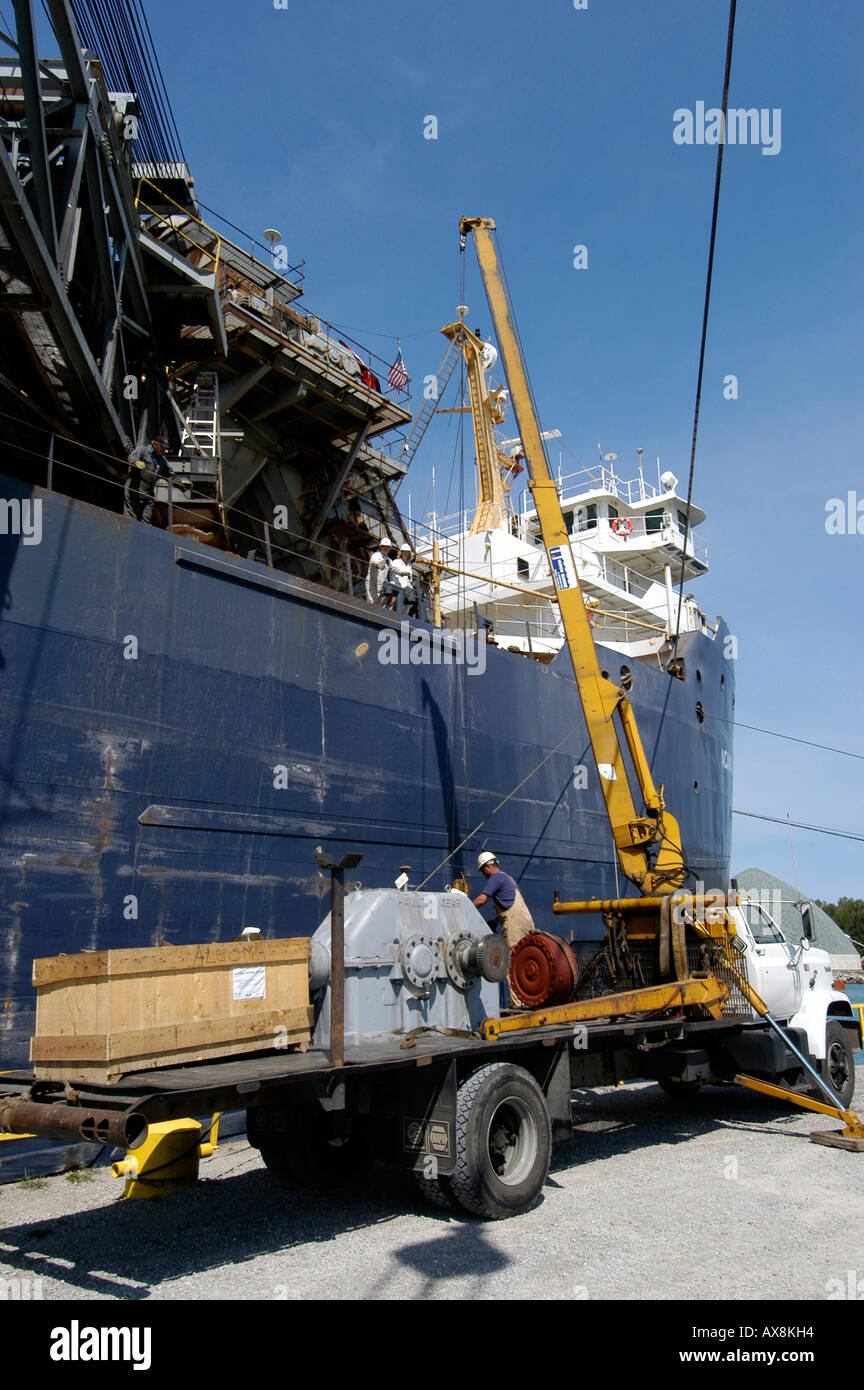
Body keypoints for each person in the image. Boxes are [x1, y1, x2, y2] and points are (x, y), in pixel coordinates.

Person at [473, 851, 535, 951]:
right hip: (526, 922)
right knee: (526, 954)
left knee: (513, 957)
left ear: (488, 866)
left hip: (515, 926)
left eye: (482, 870)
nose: (483, 874)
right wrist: (496, 920)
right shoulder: (507, 877)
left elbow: (481, 900)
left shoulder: (496, 878)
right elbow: (509, 904)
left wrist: (468, 907)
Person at [125, 436, 173, 524]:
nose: (163, 450)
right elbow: (131, 457)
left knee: (146, 521)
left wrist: (181, 482)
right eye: (162, 447)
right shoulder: (143, 450)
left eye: (165, 448)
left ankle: (142, 536)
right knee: (130, 518)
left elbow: (170, 475)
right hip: (134, 490)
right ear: (155, 444)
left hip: (148, 494)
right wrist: (136, 462)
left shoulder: (162, 461)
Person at [385, 542, 418, 616]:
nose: (405, 553)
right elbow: (392, 568)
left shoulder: (409, 565)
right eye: (404, 552)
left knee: (420, 596)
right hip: (397, 587)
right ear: (401, 553)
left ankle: (415, 616)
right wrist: (401, 572)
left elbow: (409, 581)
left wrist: (411, 589)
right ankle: (400, 616)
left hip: (407, 589)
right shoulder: (396, 562)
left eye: (407, 552)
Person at [365, 535, 393, 605]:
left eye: (387, 547)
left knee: (379, 606)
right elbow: (374, 562)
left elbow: (394, 568)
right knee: (371, 604)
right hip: (372, 585)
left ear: (389, 549)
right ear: (381, 547)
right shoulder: (376, 555)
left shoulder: (389, 560)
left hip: (381, 587)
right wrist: (379, 564)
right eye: (384, 546)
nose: (385, 548)